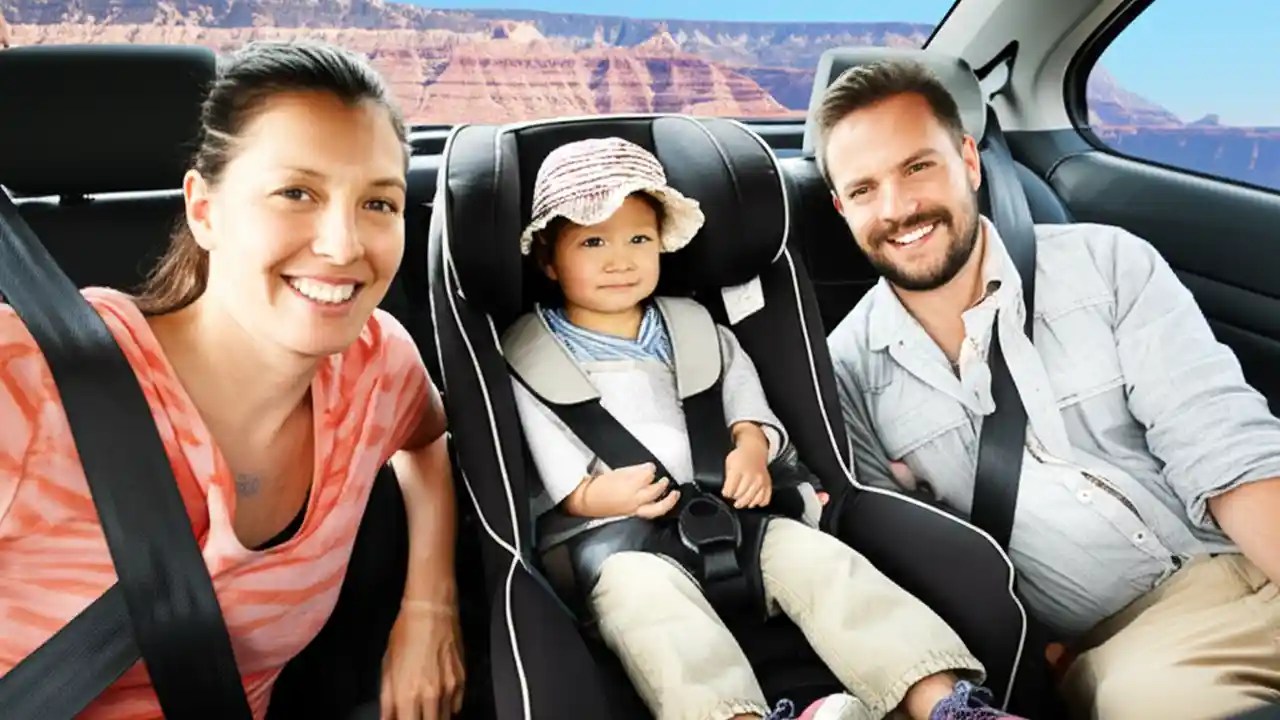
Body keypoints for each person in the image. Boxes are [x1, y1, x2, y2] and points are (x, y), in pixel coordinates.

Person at [0, 41, 464, 719]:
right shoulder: (23, 379)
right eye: (295, 193)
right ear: (204, 210)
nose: (343, 245)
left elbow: (426, 445)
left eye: (379, 204)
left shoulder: (376, 366)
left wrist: (428, 608)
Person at [816, 58, 1280, 720]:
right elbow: (904, 569)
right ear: (841, 209)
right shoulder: (844, 378)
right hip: (1142, 648)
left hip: (1256, 550)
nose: (898, 208)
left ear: (969, 162)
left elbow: (1226, 444)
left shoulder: (1107, 264)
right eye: (863, 190)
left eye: (918, 167)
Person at [506, 136, 1025, 720]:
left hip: (738, 516)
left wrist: (752, 449)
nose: (619, 258)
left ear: (661, 245)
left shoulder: (700, 329)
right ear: (550, 260)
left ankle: (941, 699)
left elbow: (745, 406)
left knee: (831, 569)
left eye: (639, 239)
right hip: (620, 541)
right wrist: (590, 495)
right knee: (653, 616)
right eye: (593, 241)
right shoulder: (531, 357)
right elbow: (543, 450)